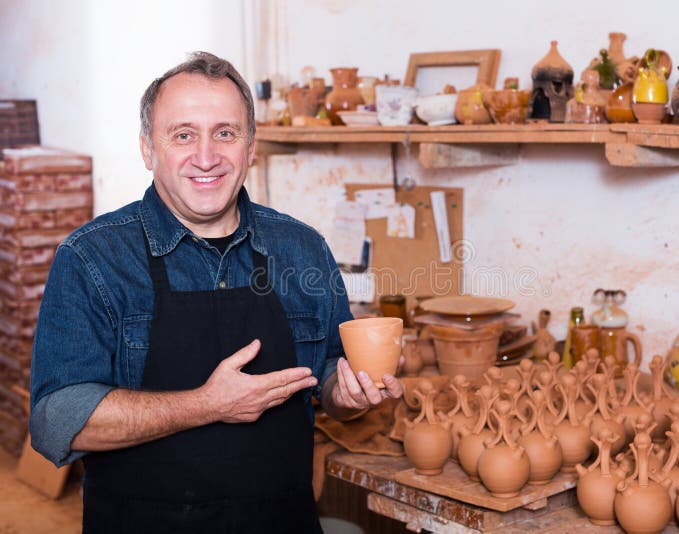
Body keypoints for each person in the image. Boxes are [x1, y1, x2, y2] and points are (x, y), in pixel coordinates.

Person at [29, 51, 404, 533]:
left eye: (225, 133)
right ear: (148, 150)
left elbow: (329, 369)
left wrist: (347, 393)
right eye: (183, 135)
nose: (206, 157)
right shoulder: (92, 258)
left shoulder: (302, 250)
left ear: (251, 148)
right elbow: (55, 421)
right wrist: (207, 405)